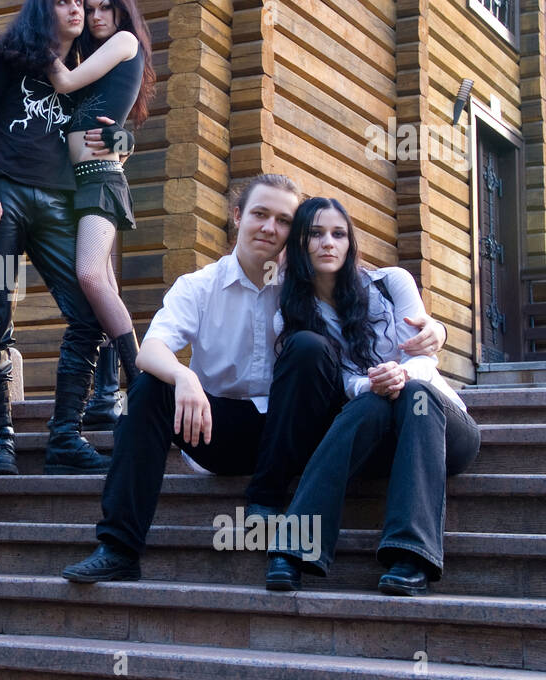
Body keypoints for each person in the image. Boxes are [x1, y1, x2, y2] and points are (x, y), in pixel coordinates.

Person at [61, 174, 449, 582]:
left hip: (306, 431)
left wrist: (438, 330)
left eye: (283, 220)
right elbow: (151, 351)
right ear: (237, 216)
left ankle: (266, 503)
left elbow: (367, 281)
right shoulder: (200, 286)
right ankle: (119, 547)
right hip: (222, 430)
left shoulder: (310, 283)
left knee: (308, 348)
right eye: (260, 214)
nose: (270, 227)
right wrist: (184, 377)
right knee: (148, 389)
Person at [264, 197, 480, 596]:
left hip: (443, 426)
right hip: (378, 430)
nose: (328, 243)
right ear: (298, 244)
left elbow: (425, 356)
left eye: (339, 234)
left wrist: (400, 372)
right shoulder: (292, 315)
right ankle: (295, 545)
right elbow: (347, 383)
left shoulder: (391, 281)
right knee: (369, 403)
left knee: (413, 391)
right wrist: (374, 384)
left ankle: (413, 554)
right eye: (315, 233)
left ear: (350, 244)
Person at [0, 0, 132, 476]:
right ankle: (0, 440)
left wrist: (120, 142)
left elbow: (98, 142)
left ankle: (64, 436)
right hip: (3, 197)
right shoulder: (9, 57)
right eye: (64, 1)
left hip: (60, 203)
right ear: (44, 9)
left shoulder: (85, 68)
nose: (77, 9)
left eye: (81, 1)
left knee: (87, 314)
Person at [45, 0, 157, 392]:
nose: (94, 16)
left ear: (121, 8)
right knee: (99, 289)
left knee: (90, 276)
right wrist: (123, 139)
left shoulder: (126, 41)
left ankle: (141, 381)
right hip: (75, 186)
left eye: (103, 7)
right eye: (88, 9)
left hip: (100, 181)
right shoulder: (90, 60)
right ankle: (106, 395)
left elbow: (65, 82)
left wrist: (33, 39)